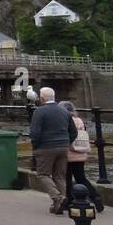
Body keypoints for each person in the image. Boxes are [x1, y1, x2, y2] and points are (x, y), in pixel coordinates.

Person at [29, 86, 77, 214]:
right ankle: (58, 206)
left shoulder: (39, 112)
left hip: (45, 147)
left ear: (42, 98)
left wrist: (36, 146)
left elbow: (35, 133)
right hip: (63, 146)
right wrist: (67, 142)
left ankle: (58, 198)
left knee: (43, 174)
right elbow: (73, 132)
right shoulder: (64, 112)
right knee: (59, 176)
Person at [59, 99, 101, 212]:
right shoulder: (79, 120)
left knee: (67, 178)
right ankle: (95, 196)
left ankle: (68, 200)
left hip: (68, 153)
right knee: (81, 177)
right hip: (80, 153)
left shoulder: (64, 120)